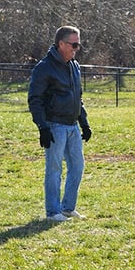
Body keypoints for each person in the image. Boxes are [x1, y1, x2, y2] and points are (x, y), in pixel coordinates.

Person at [28, 26, 92, 222]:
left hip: (72, 126)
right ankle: (52, 212)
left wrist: (84, 122)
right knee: (54, 169)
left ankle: (67, 208)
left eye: (78, 45)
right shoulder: (44, 68)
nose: (76, 48)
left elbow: (77, 97)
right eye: (73, 44)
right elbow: (35, 99)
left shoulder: (74, 66)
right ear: (61, 44)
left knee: (77, 166)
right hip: (54, 126)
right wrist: (43, 127)